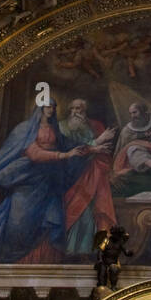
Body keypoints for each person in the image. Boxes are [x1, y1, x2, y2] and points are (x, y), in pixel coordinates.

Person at [0, 99, 90, 263]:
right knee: (19, 223)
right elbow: (34, 154)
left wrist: (94, 147)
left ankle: (40, 261)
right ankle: (10, 258)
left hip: (48, 180)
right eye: (47, 106)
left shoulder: (55, 129)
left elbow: (69, 145)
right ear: (39, 108)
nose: (51, 110)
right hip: (27, 178)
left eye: (53, 106)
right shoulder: (24, 129)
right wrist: (64, 155)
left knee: (50, 220)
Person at [58, 99, 117, 254]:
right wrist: (97, 142)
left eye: (82, 109)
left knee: (90, 212)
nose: (78, 112)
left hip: (92, 175)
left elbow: (105, 151)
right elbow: (69, 148)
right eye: (75, 109)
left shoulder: (95, 125)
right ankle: (71, 250)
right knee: (75, 210)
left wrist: (100, 148)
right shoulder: (62, 127)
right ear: (69, 110)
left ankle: (86, 250)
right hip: (70, 175)